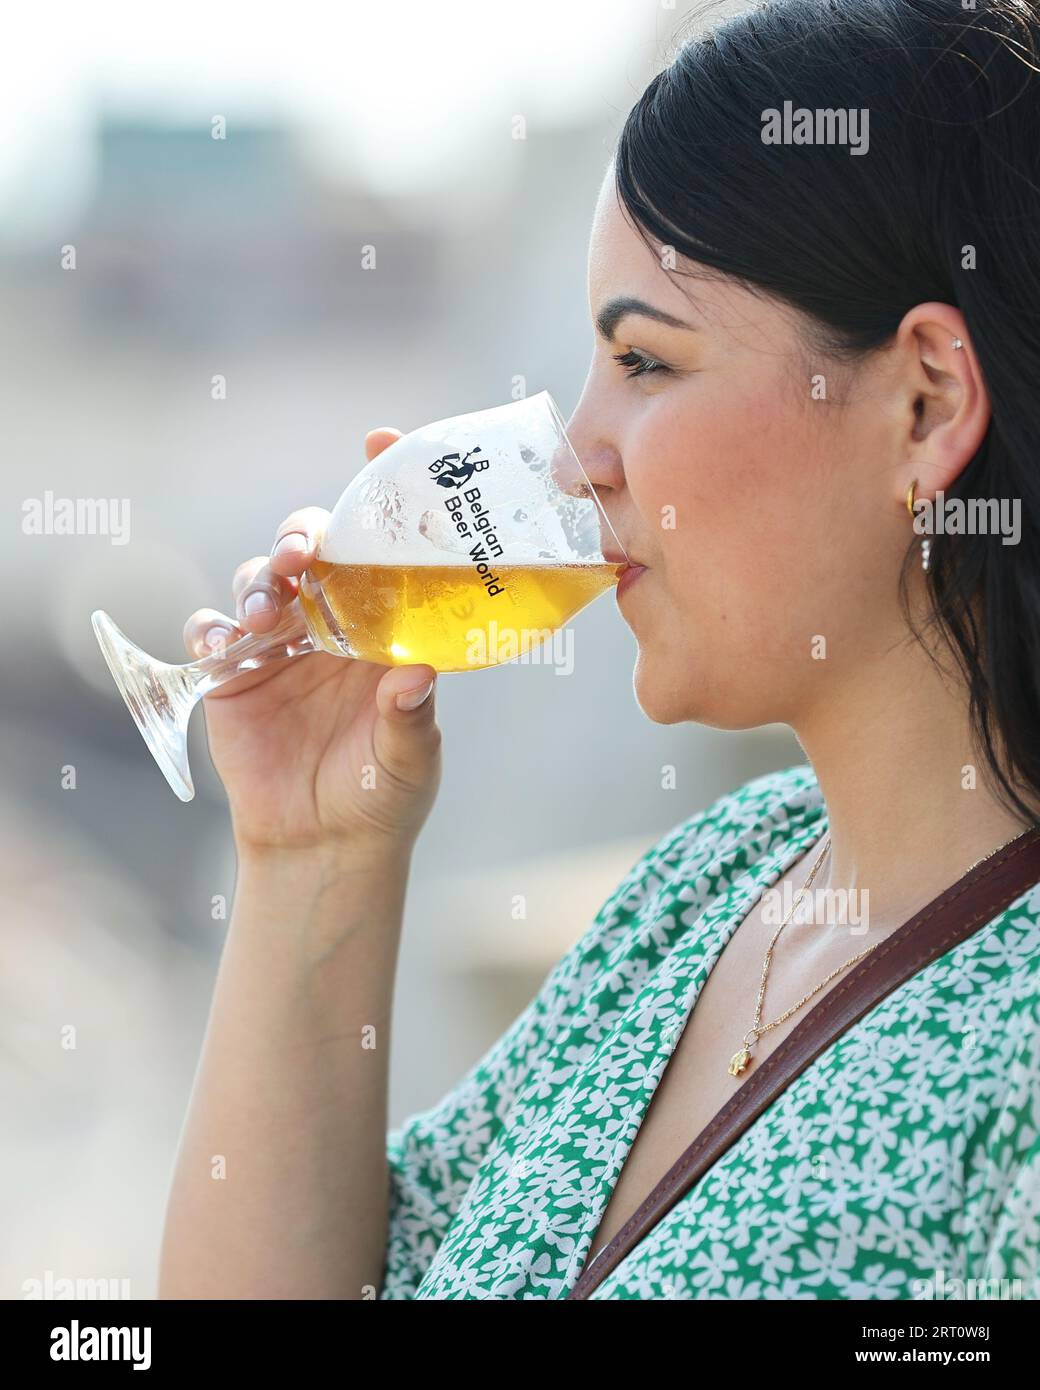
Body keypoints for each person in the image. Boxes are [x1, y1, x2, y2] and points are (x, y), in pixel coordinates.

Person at [158, 0, 1040, 1299]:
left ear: (927, 403)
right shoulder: (700, 893)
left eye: (645, 358)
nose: (575, 455)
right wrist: (312, 850)